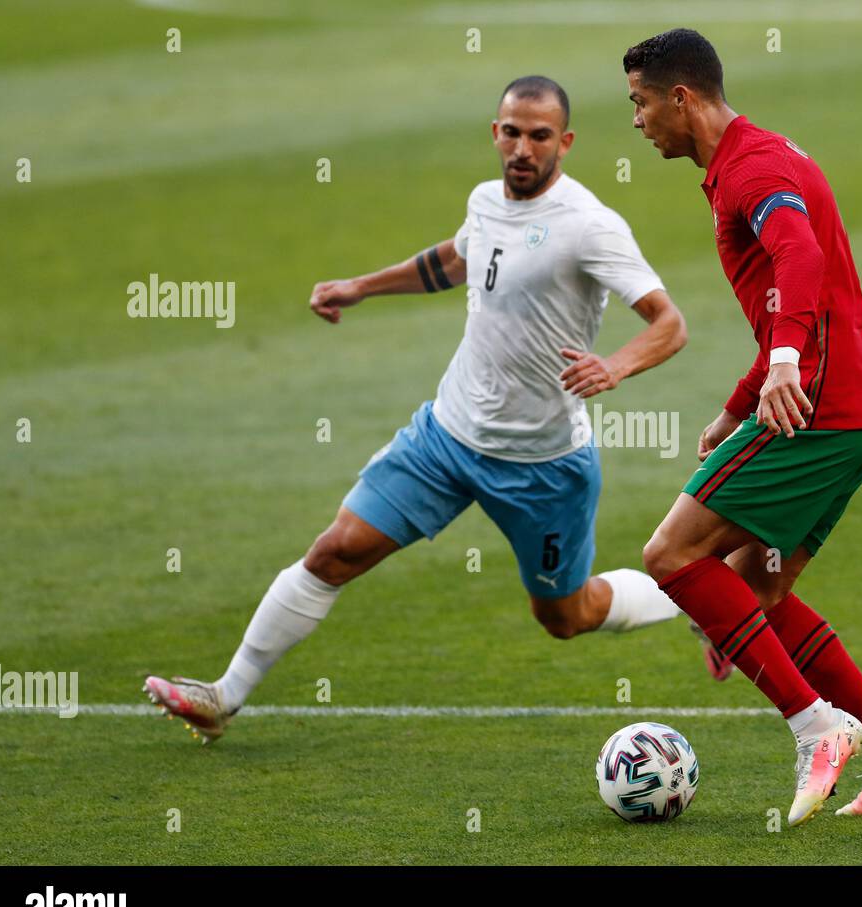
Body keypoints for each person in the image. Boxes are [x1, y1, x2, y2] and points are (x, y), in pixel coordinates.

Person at [144, 76, 688, 743]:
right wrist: (361, 287)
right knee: (335, 551)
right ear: (495, 132)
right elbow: (456, 260)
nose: (522, 147)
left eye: (539, 135)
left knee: (564, 616)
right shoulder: (486, 201)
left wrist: (616, 364)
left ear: (565, 143)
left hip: (543, 465)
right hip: (447, 438)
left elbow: (669, 323)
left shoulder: (590, 227)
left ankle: (698, 602)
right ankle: (223, 697)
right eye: (511, 131)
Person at [623, 29, 862, 825]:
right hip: (855, 413)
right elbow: (786, 298)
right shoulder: (760, 155)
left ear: (681, 97)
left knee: (670, 554)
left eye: (639, 103)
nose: (636, 122)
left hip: (816, 409)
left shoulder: (752, 170)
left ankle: (815, 729)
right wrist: (739, 399)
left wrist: (787, 364)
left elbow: (798, 256)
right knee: (753, 589)